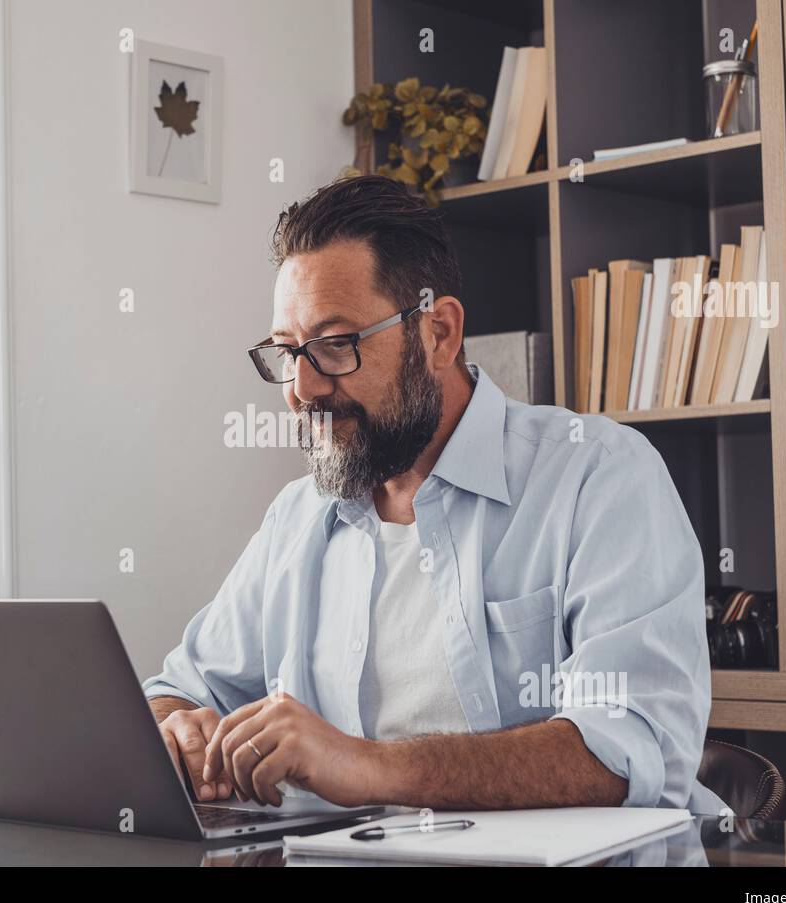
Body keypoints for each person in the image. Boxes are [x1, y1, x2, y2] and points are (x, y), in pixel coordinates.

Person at [143, 174, 723, 816]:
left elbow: (634, 744)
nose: (301, 388)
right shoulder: (297, 518)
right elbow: (178, 690)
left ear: (438, 334)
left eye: (335, 345)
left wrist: (365, 766)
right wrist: (177, 730)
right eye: (287, 352)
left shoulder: (599, 475)